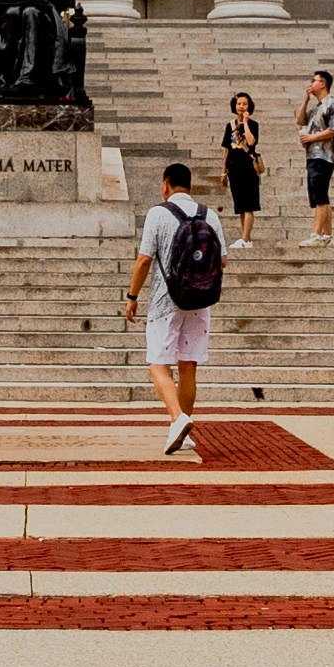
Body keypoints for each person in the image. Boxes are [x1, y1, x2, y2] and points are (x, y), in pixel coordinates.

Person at [123, 158, 220, 454]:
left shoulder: (158, 213)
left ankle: (177, 419)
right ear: (190, 186)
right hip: (201, 300)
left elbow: (144, 259)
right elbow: (223, 259)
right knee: (188, 365)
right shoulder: (209, 214)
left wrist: (132, 296)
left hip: (167, 300)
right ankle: (184, 429)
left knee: (157, 364)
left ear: (166, 185)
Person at [298, 68, 334, 241]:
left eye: (314, 80)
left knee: (320, 196)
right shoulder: (318, 107)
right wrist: (305, 99)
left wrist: (312, 137)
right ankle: (327, 235)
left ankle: (316, 234)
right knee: (321, 194)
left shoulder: (331, 104)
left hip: (324, 156)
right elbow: (300, 120)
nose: (311, 83)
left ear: (323, 83)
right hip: (314, 155)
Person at [221, 90, 267, 247]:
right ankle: (245, 237)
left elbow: (251, 142)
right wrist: (223, 171)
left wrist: (246, 122)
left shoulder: (253, 125)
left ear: (249, 106)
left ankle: (246, 239)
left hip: (248, 167)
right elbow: (226, 149)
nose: (241, 106)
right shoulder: (230, 125)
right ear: (234, 106)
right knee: (241, 205)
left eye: (244, 104)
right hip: (234, 169)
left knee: (249, 204)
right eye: (239, 103)